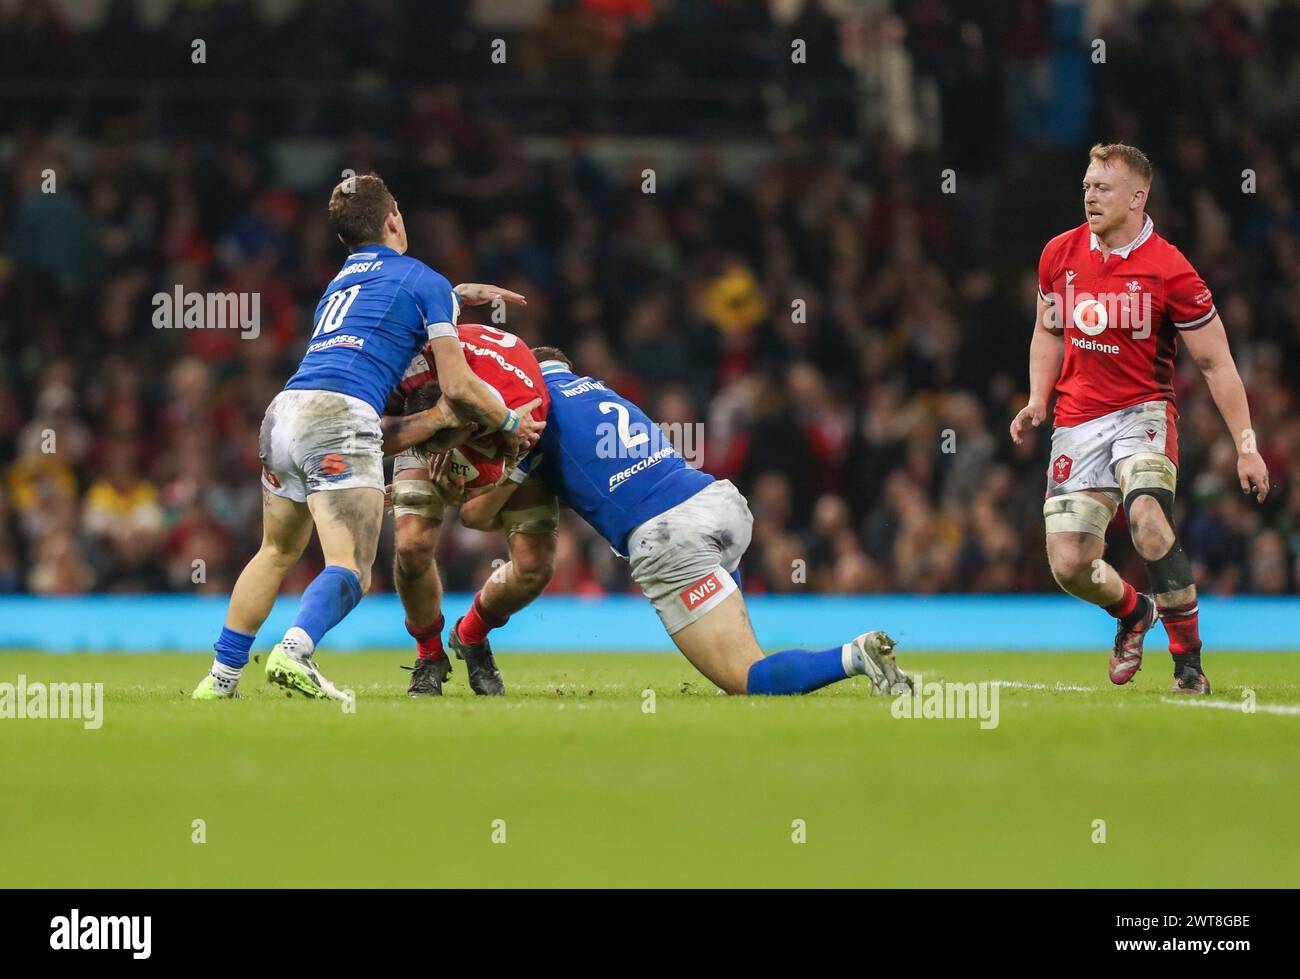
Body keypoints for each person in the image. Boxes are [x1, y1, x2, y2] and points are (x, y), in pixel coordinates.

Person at [192, 173, 543, 701]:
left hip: (284, 411)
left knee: (274, 551)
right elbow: (458, 385)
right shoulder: (422, 278)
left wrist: (449, 297)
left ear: (343, 238)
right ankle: (295, 650)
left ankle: (220, 679)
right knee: (352, 568)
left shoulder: (339, 284)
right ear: (394, 219)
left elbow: (385, 316)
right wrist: (512, 422)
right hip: (341, 416)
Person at [433, 346, 911, 697]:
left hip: (670, 536)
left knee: (750, 679)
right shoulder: (600, 392)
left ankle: (854, 655)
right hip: (719, 501)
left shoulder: (534, 409)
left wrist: (501, 469)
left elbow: (477, 515)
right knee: (736, 665)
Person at [1010, 143, 1270, 695]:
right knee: (1069, 563)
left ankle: (1188, 663)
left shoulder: (1171, 270)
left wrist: (1246, 445)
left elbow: (1215, 362)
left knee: (1148, 516)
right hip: (1076, 421)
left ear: (1137, 196)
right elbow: (1048, 331)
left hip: (1142, 413)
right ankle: (1133, 612)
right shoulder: (1058, 255)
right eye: (1086, 185)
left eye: (1102, 188)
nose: (1089, 196)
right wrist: (1037, 398)